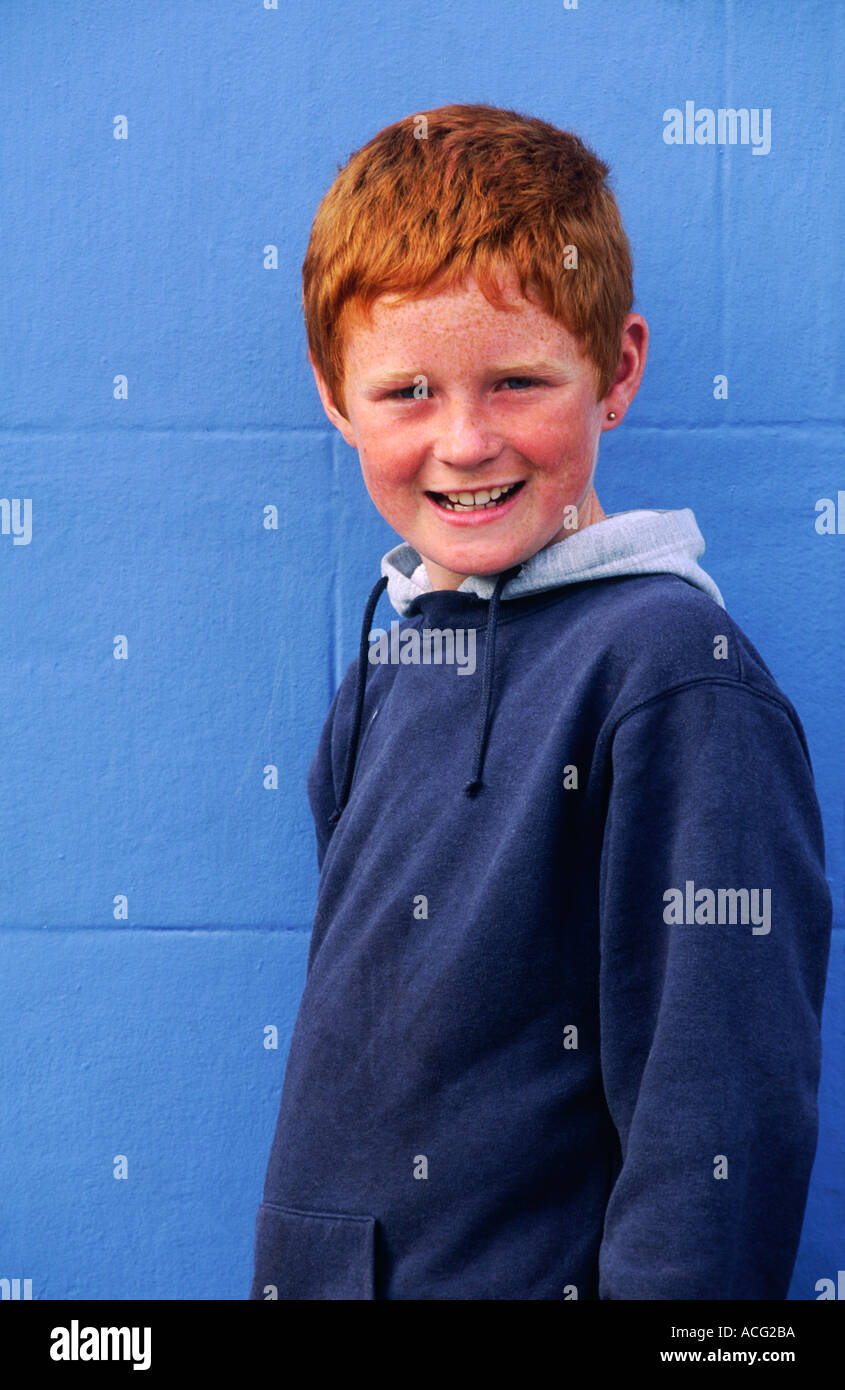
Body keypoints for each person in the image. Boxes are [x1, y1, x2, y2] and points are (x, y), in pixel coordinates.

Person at [248, 103, 832, 1300]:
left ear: (613, 370)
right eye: (407, 390)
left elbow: (715, 1122)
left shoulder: (672, 678)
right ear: (332, 395)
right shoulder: (383, 671)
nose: (463, 441)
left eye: (515, 380)